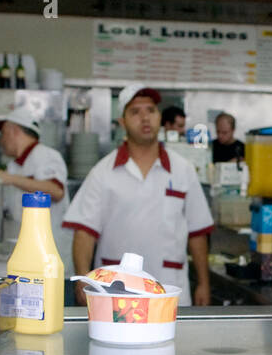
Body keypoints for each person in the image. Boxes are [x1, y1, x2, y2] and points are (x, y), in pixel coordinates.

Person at [63, 85, 213, 306]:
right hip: (117, 291)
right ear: (122, 122)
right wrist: (83, 280)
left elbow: (197, 232)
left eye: (151, 110)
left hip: (170, 290)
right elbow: (85, 232)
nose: (145, 118)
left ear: (159, 117)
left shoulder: (183, 170)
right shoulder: (103, 172)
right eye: (135, 112)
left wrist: (204, 283)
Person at [0, 104, 69, 249]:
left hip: (49, 247)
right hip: (27, 244)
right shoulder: (14, 166)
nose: (1, 141)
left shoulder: (45, 155)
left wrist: (8, 178)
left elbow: (56, 191)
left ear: (14, 131)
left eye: (3, 134)